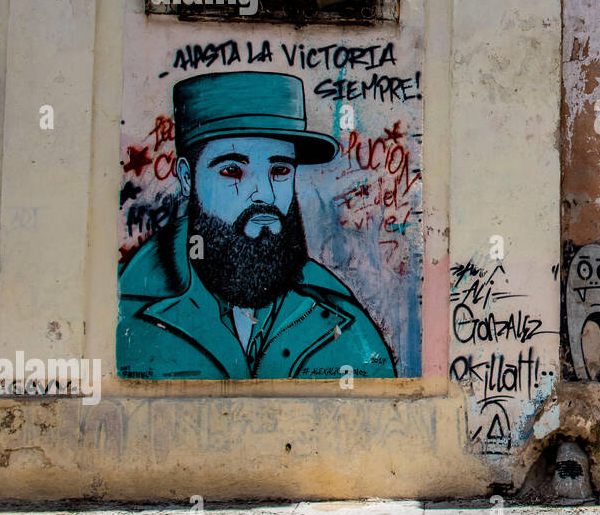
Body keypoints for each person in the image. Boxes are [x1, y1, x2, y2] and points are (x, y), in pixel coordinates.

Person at [117, 71, 396, 379]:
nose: (264, 193)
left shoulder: (339, 317)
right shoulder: (125, 312)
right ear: (186, 178)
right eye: (232, 171)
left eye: (279, 169)